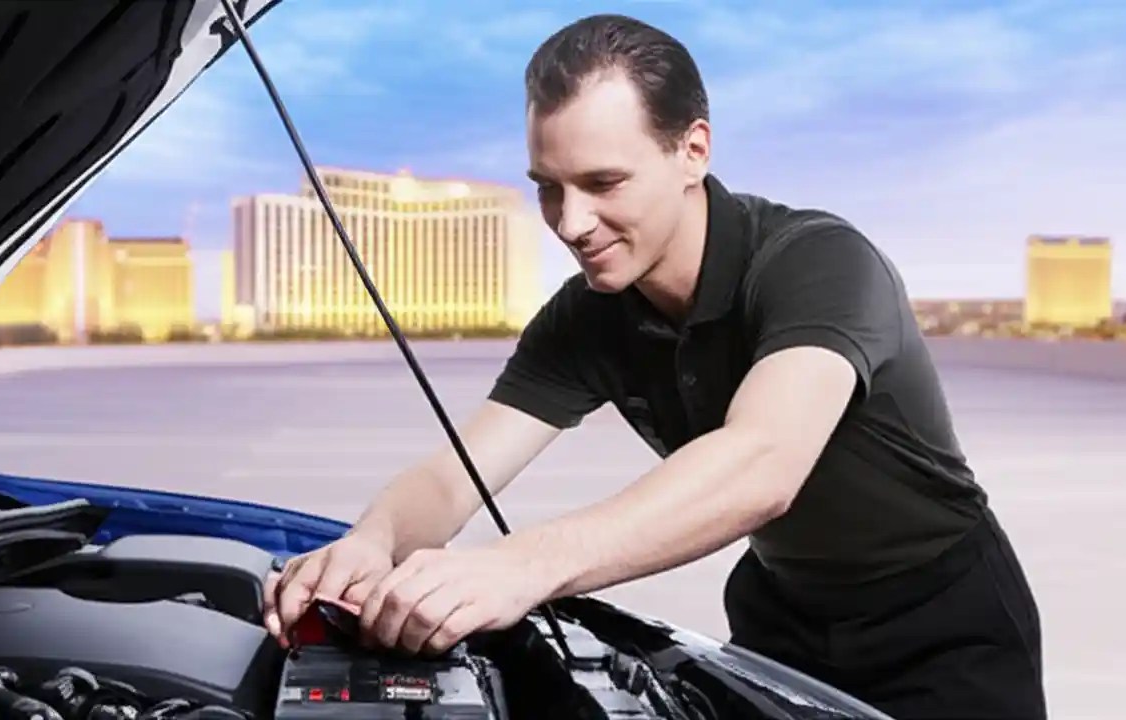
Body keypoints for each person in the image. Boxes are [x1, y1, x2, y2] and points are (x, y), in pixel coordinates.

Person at [263, 13, 1046, 719]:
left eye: (603, 184)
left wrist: (521, 566)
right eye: (549, 189)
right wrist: (373, 539)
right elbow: (454, 475)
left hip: (942, 625)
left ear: (691, 150)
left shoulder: (818, 261)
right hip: (784, 618)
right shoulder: (590, 314)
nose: (571, 223)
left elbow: (762, 464)